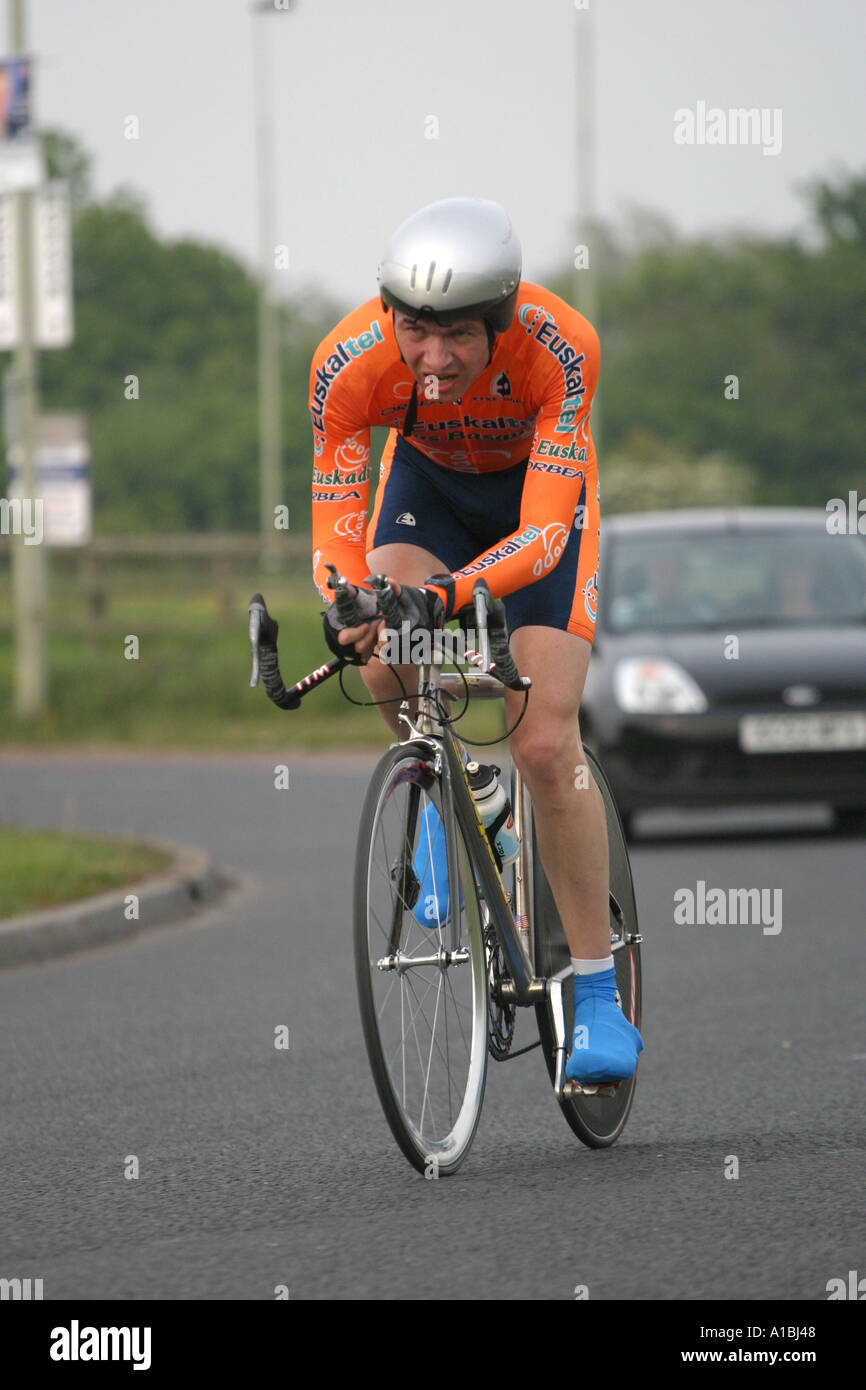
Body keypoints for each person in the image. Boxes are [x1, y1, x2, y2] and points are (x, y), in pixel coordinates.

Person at [310, 197, 643, 1084]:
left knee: (544, 742)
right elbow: (338, 533)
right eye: (416, 331)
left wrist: (448, 596)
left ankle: (600, 993)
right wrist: (349, 602)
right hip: (430, 493)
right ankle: (450, 784)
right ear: (390, 316)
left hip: (539, 513)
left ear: (500, 319)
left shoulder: (561, 345)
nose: (434, 357)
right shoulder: (346, 365)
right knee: (383, 645)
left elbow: (539, 540)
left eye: (458, 335)